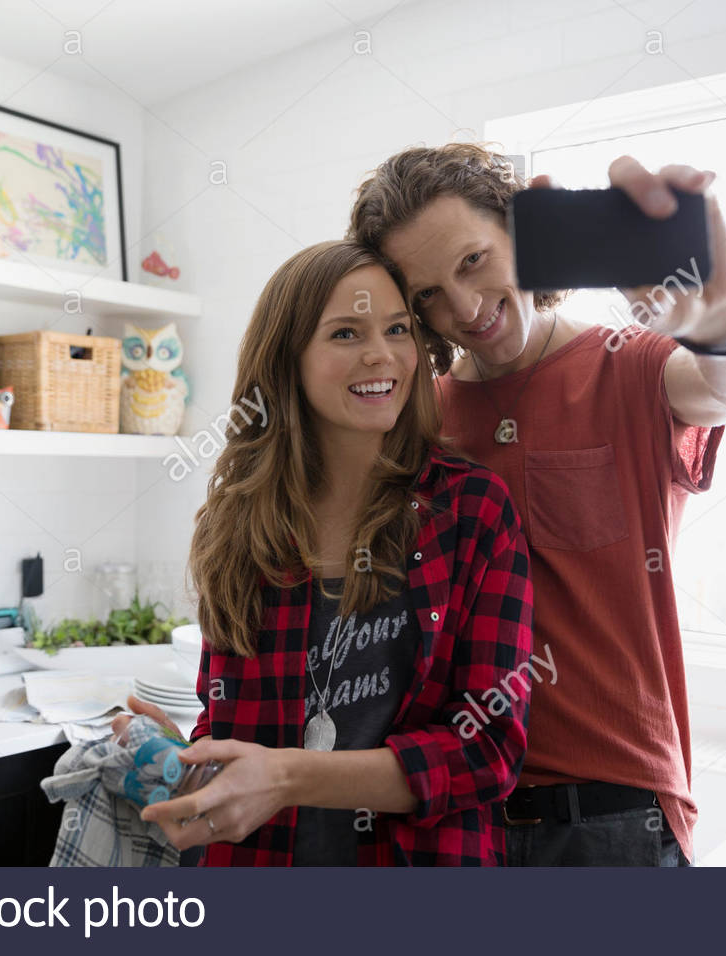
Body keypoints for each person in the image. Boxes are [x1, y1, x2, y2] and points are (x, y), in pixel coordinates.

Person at [347, 144, 726, 866]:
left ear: (523, 233)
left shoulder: (631, 364)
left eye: (472, 262)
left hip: (612, 818)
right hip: (455, 815)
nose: (462, 309)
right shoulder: (418, 418)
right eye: (426, 294)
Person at [112, 240, 534, 865]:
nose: (381, 354)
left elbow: (487, 749)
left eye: (397, 329)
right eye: (344, 333)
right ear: (289, 363)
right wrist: (187, 758)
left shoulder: (472, 511)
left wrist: (286, 777)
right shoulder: (239, 522)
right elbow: (228, 728)